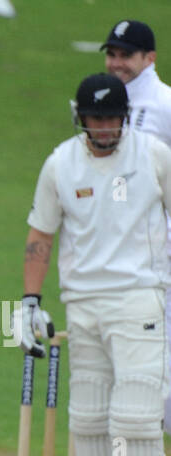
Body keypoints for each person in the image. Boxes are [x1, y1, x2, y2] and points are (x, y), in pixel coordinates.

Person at [20, 74, 171, 456]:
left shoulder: (153, 155)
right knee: (87, 418)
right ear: (79, 117)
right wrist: (29, 302)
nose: (103, 128)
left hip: (138, 300)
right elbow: (41, 232)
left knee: (135, 418)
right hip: (82, 304)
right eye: (94, 118)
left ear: (125, 117)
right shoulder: (61, 164)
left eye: (111, 118)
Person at [101, 19, 171, 429]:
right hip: (122, 257)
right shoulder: (106, 102)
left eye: (126, 55)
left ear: (150, 58)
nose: (117, 63)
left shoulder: (161, 105)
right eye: (112, 54)